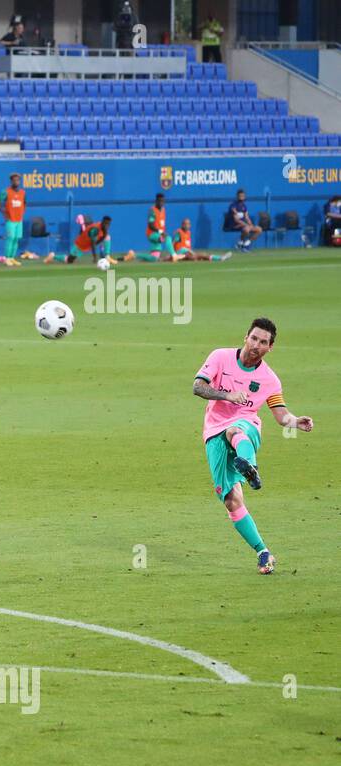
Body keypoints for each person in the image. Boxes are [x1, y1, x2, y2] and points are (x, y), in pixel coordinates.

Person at [192, 318, 313, 575]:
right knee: (231, 501)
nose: (256, 345)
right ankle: (263, 552)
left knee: (236, 429)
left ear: (271, 348)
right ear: (245, 337)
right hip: (213, 431)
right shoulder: (220, 357)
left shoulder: (269, 379)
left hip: (247, 427)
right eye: (254, 338)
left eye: (263, 342)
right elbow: (198, 386)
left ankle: (250, 466)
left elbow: (281, 416)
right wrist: (227, 395)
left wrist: (295, 421)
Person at [43, 216, 131, 264]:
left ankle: (107, 256)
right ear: (103, 222)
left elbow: (103, 237)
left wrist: (102, 243)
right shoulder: (95, 229)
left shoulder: (104, 228)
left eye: (109, 224)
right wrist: (95, 258)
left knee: (108, 237)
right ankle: (53, 256)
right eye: (106, 224)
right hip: (81, 244)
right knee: (70, 260)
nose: (107, 226)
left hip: (89, 243)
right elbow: (93, 244)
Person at [0, 172, 26, 264]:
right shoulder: (6, 192)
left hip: (19, 220)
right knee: (11, 238)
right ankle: (7, 258)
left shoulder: (22, 193)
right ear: (11, 181)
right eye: (14, 180)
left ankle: (12, 257)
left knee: (16, 239)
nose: (16, 182)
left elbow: (24, 203)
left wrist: (21, 212)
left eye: (18, 180)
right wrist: (3, 211)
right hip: (10, 220)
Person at [144, 193, 177, 261]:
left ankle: (134, 255)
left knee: (154, 258)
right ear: (156, 201)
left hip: (158, 235)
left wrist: (162, 231)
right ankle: (174, 255)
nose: (161, 203)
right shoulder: (152, 210)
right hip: (152, 234)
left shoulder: (163, 210)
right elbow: (150, 225)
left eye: (163, 201)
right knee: (167, 238)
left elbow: (161, 224)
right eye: (160, 201)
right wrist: (161, 232)